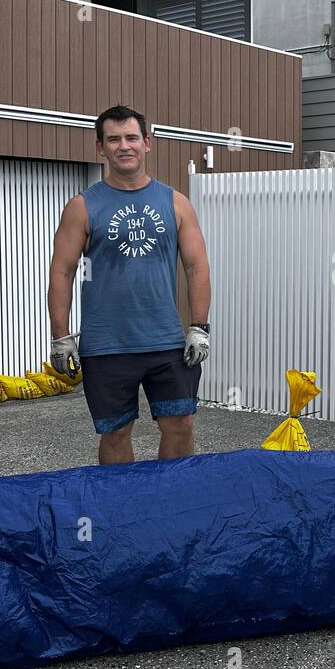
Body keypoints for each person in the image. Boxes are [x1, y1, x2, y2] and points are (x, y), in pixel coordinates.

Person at [48, 105, 212, 464]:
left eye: (132, 137)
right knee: (116, 432)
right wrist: (61, 337)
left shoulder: (176, 203)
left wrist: (199, 327)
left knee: (180, 424)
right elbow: (62, 272)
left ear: (147, 143)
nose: (124, 145)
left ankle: (172, 504)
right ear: (99, 148)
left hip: (167, 342)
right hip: (107, 346)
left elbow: (197, 266)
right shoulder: (81, 207)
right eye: (114, 139)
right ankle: (121, 513)